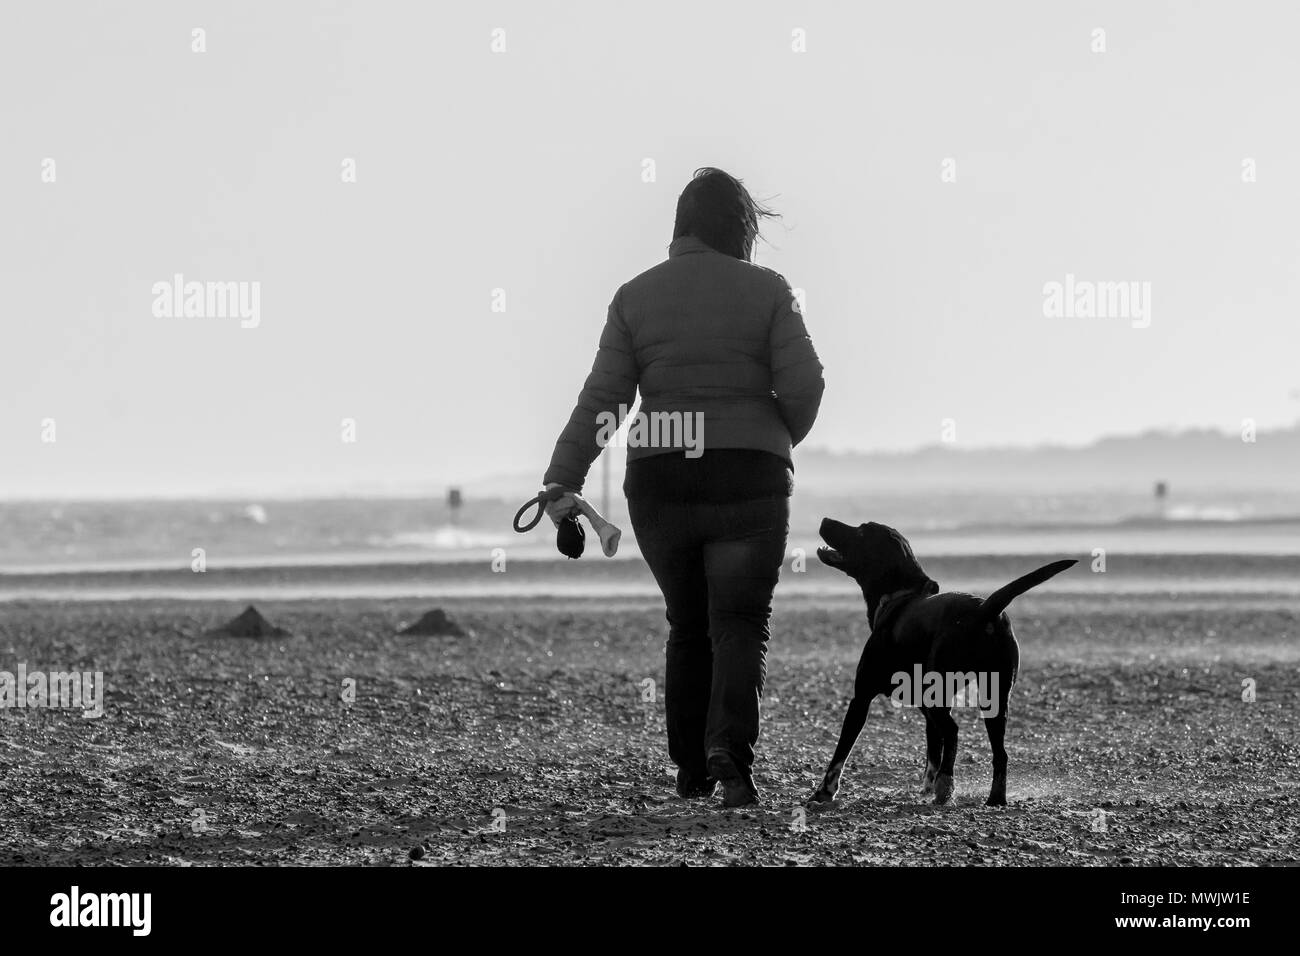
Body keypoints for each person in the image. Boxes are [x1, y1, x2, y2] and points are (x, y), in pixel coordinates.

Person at [541, 167, 824, 807]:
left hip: (660, 481)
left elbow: (602, 402)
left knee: (688, 622)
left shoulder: (635, 296)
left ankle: (691, 769)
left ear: (680, 227)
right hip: (749, 480)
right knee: (740, 620)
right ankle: (730, 760)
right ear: (741, 228)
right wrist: (772, 436)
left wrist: (562, 479)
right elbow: (806, 385)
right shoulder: (769, 289)